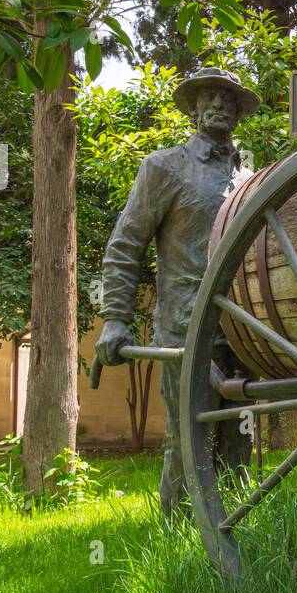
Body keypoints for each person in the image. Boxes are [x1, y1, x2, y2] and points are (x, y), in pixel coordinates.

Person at [95, 67, 260, 516]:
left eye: (229, 99)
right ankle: (180, 538)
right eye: (209, 97)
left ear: (240, 112)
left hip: (244, 329)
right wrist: (115, 318)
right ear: (192, 107)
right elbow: (126, 244)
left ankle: (233, 534)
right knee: (187, 436)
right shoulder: (164, 168)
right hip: (186, 329)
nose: (219, 106)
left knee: (239, 435)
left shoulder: (251, 177)